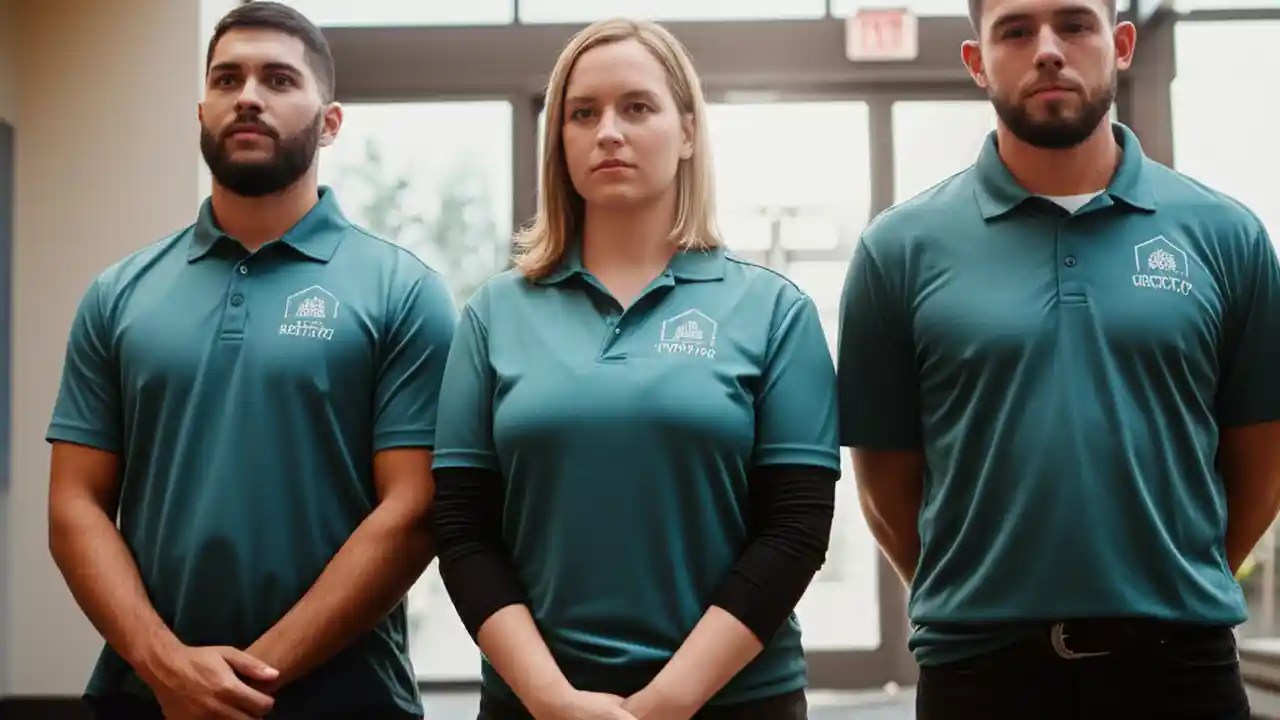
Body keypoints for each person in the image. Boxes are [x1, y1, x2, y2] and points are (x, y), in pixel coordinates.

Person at [838, 0, 1280, 717]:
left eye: (1075, 24)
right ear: (977, 61)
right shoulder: (898, 251)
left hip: (1182, 672)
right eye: (1015, 30)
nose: (1048, 49)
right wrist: (984, 604)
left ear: (1123, 45)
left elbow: (1260, 464)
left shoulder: (1227, 236)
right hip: (978, 675)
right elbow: (886, 487)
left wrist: (1168, 587)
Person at [45, 3, 456, 719]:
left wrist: (244, 682)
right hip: (148, 695)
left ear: (329, 122)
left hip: (346, 698)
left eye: (278, 79)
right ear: (201, 109)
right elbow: (75, 504)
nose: (248, 96)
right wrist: (168, 667)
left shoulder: (403, 292)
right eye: (228, 78)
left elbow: (414, 510)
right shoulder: (119, 294)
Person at [431, 17, 841, 720]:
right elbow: (464, 530)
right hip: (534, 706)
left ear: (687, 132)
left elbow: (794, 532)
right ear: (558, 141)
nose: (608, 131)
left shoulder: (774, 311)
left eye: (637, 107)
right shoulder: (494, 313)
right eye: (582, 113)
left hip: (735, 702)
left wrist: (666, 703)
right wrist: (550, 698)